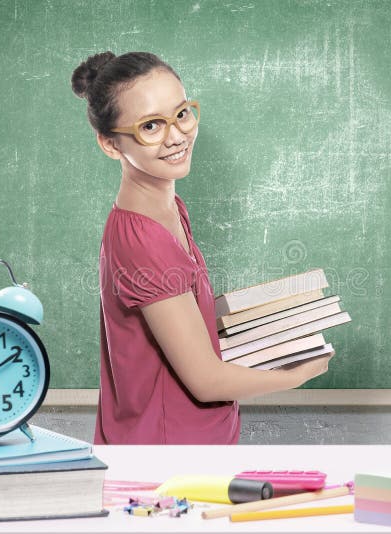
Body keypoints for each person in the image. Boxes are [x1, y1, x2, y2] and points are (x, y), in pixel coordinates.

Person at [71, 51, 333, 444]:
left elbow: (185, 322)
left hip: (195, 447)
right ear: (111, 145)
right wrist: (297, 373)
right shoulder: (142, 239)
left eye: (181, 114)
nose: (176, 136)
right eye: (151, 126)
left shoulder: (171, 208)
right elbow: (206, 381)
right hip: (168, 458)